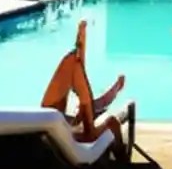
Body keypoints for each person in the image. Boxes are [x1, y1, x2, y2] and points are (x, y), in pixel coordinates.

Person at [41, 20, 129, 161]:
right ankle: (108, 95)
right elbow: (107, 120)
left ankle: (79, 50)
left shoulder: (59, 123)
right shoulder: (85, 133)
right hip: (80, 134)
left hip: (55, 129)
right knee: (108, 119)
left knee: (73, 64)